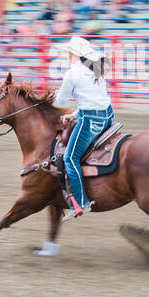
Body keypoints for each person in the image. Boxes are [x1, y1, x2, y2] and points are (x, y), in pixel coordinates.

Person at [53, 35, 114, 220]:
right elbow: (93, 100)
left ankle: (82, 202)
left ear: (73, 54)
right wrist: (73, 116)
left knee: (71, 158)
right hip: (108, 116)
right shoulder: (95, 70)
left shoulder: (72, 73)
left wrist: (56, 95)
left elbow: (61, 101)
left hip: (90, 121)